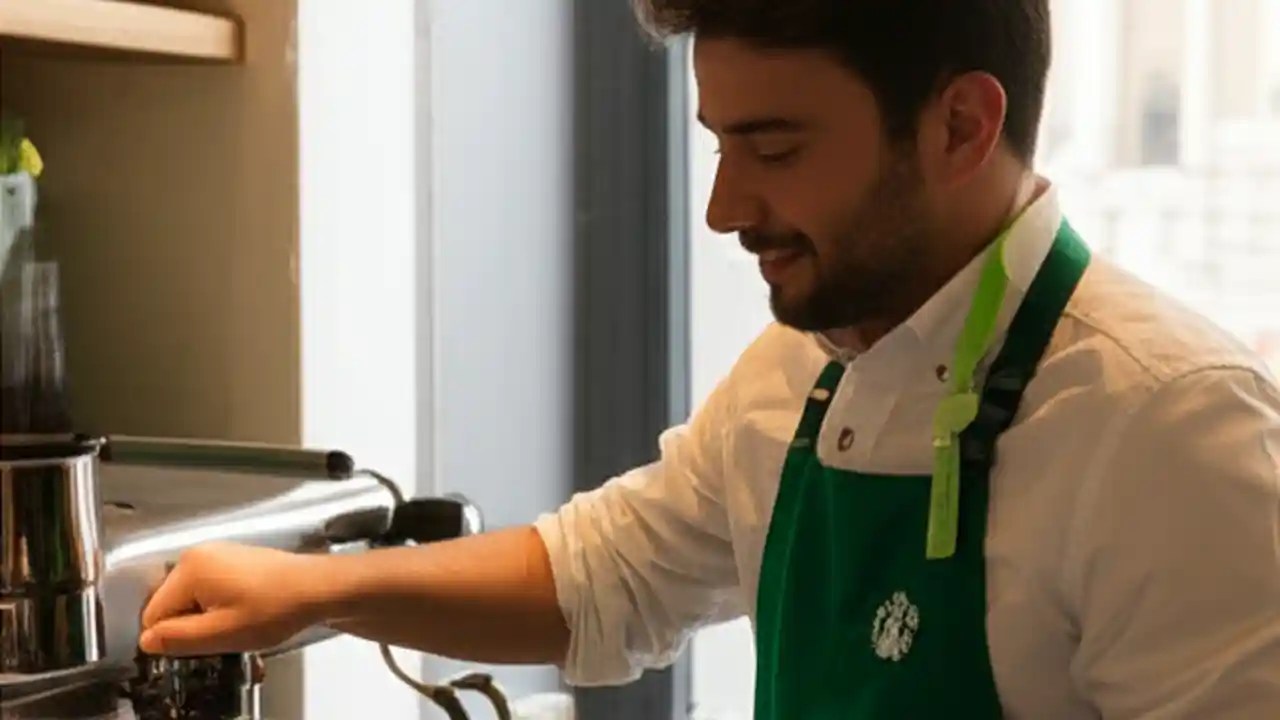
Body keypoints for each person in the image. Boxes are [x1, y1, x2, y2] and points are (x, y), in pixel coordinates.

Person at [140, 1, 1280, 716]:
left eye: (774, 147)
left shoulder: (1170, 432)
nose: (726, 207)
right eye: (719, 144)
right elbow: (603, 575)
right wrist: (309, 594)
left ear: (959, 128)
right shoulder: (806, 372)